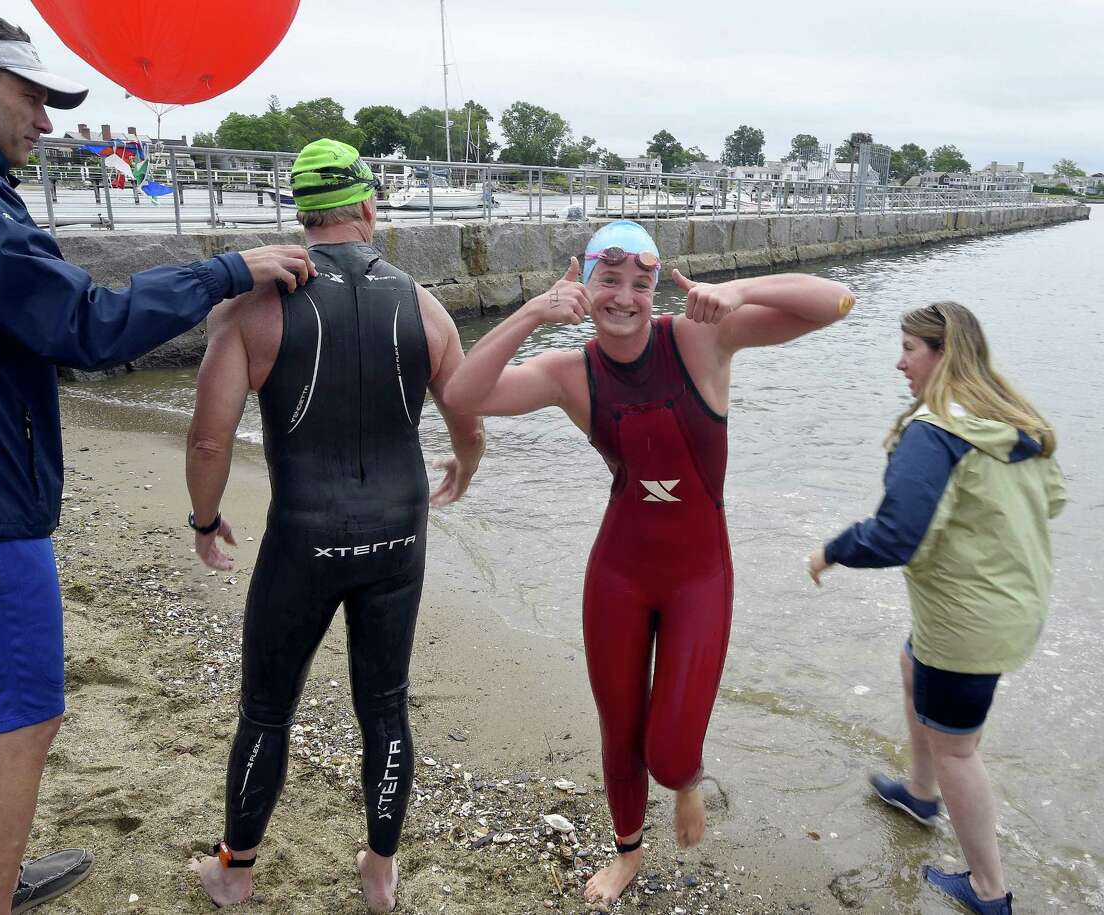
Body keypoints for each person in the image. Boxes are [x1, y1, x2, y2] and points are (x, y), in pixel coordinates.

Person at [0, 7, 317, 914]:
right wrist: (225, 270)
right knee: (21, 711)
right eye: (34, 97)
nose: (47, 122)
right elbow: (81, 323)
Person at [442, 220, 855, 906]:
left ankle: (687, 781)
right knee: (619, 727)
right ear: (584, 281)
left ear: (656, 287)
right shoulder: (568, 372)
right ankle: (627, 851)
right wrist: (531, 312)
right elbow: (462, 395)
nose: (625, 297)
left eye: (641, 283)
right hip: (619, 570)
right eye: (609, 280)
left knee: (668, 754)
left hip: (699, 574)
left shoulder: (701, 338)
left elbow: (838, 300)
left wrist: (740, 288)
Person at [185, 138, 484, 913]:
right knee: (384, 704)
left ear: (302, 214)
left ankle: (237, 870)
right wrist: (464, 467)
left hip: (303, 539)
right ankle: (380, 873)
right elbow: (468, 411)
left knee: (267, 707)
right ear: (366, 209)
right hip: (398, 537)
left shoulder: (252, 307)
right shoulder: (423, 303)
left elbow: (210, 437)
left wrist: (207, 518)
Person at [807, 302, 1064, 915]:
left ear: (943, 354)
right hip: (1012, 602)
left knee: (958, 750)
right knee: (908, 664)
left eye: (910, 350)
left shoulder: (936, 432)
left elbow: (897, 536)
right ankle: (921, 795)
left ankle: (988, 890)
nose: (900, 363)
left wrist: (831, 551)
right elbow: (1051, 502)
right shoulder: (1012, 423)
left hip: (969, 621)